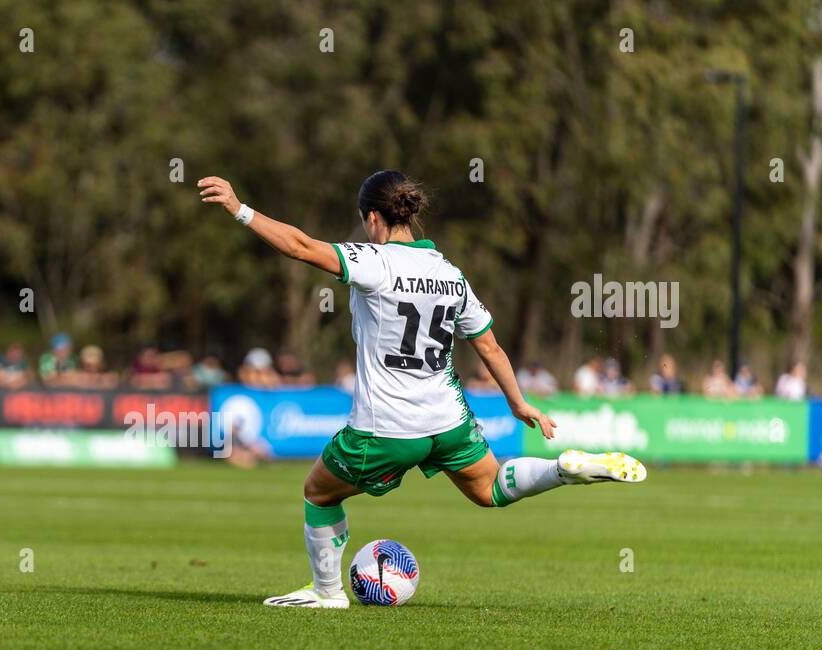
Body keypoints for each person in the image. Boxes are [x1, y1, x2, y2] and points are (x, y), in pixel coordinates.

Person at [198, 168, 646, 608]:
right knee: (489, 489)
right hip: (447, 420)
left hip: (387, 426)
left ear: (373, 218)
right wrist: (519, 402)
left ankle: (327, 592)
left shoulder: (374, 262)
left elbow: (300, 246)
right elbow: (488, 345)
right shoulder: (449, 273)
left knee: (319, 492)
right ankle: (561, 471)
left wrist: (240, 210)